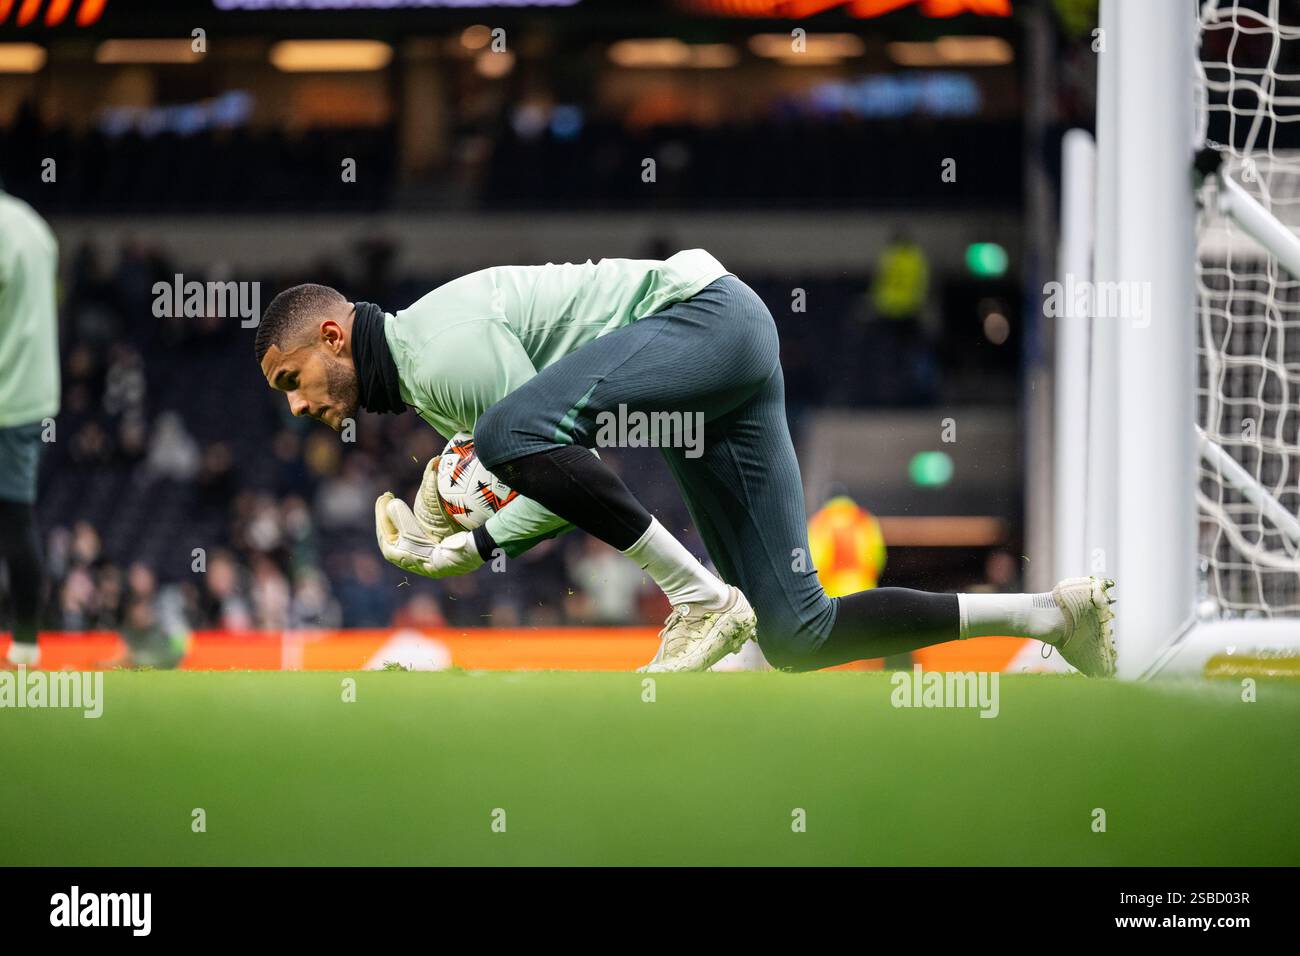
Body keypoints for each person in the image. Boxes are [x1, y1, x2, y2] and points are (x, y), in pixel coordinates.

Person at [254, 250, 1116, 675]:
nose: (298, 406)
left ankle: (701, 599)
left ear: (334, 337)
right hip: (710, 378)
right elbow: (546, 476)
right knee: (797, 634)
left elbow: (556, 465)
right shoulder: (427, 380)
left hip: (711, 323)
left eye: (294, 380)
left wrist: (470, 541)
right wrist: (467, 537)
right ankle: (1053, 617)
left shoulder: (439, 356)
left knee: (518, 437)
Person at [0, 187, 60, 669]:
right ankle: (24, 645)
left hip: (5, 393)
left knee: (17, 524)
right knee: (17, 519)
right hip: (33, 398)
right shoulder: (34, 225)